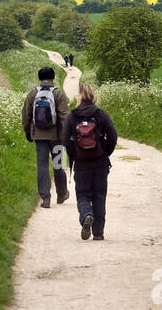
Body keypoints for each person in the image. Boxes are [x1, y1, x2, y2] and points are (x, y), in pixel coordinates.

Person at [63, 82, 118, 240]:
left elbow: (65, 140)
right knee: (99, 195)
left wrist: (74, 155)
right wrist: (105, 152)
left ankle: (86, 214)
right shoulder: (101, 114)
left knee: (82, 195)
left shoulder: (72, 117)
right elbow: (113, 136)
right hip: (100, 163)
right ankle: (98, 233)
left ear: (79, 97)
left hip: (81, 164)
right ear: (93, 96)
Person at [21, 66, 70, 208]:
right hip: (57, 137)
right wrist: (66, 135)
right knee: (58, 164)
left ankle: (45, 198)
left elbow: (26, 115)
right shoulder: (58, 94)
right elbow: (64, 117)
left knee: (42, 166)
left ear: (40, 78)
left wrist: (27, 132)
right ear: (53, 78)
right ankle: (62, 193)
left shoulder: (33, 93)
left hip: (39, 135)